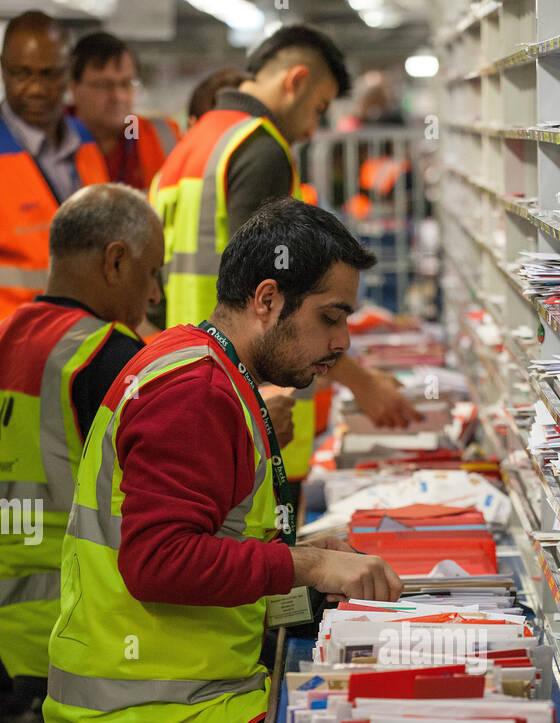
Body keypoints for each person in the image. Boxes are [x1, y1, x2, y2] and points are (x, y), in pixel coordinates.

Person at [43, 199, 402, 723]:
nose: (342, 344)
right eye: (331, 318)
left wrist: (302, 548)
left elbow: (209, 536)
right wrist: (307, 565)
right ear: (269, 301)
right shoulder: (196, 392)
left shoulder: (203, 367)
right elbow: (160, 561)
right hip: (146, 714)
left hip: (180, 685)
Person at [150, 23, 420, 495]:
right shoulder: (260, 147)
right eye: (317, 108)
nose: (314, 128)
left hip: (187, 381)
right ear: (295, 80)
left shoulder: (191, 147)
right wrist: (360, 382)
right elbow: (278, 300)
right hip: (245, 391)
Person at [0, 184, 163, 723]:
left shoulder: (9, 335)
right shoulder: (110, 356)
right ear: (116, 261)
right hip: (68, 637)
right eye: (151, 273)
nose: (154, 293)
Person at [0, 10, 107, 321]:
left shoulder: (85, 139)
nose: (35, 89)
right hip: (12, 344)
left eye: (49, 74)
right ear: (4, 70)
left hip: (81, 336)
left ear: (68, 72)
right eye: (22, 74)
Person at [68, 31, 180, 193]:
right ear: (73, 87)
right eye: (103, 85)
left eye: (126, 84)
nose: (118, 96)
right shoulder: (50, 141)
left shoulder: (164, 136)